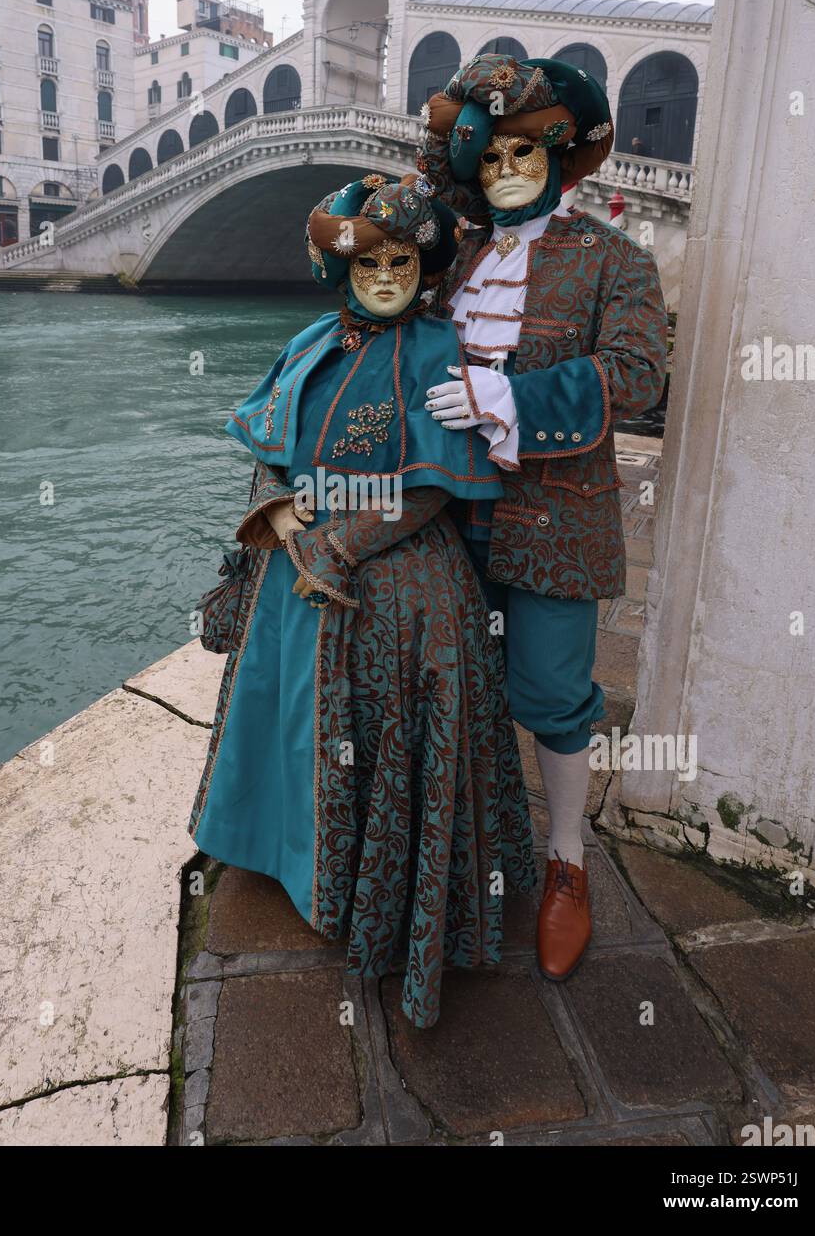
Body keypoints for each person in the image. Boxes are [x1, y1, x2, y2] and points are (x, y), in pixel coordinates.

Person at [188, 176, 536, 1028]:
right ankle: (277, 850)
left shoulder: (434, 352)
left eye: (402, 261)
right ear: (339, 269)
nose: (385, 275)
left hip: (395, 588)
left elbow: (435, 487)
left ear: (424, 268)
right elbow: (271, 441)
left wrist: (337, 546)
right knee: (286, 713)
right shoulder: (312, 339)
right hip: (291, 572)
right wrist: (276, 510)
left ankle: (357, 891)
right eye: (370, 261)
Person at [415, 53, 668, 982]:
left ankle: (569, 859)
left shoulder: (616, 259)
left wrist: (504, 399)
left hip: (553, 516)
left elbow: (639, 376)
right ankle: (476, 839)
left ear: (560, 158)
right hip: (446, 515)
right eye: (491, 157)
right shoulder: (459, 260)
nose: (508, 170)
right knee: (458, 682)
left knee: (553, 695)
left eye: (528, 150)